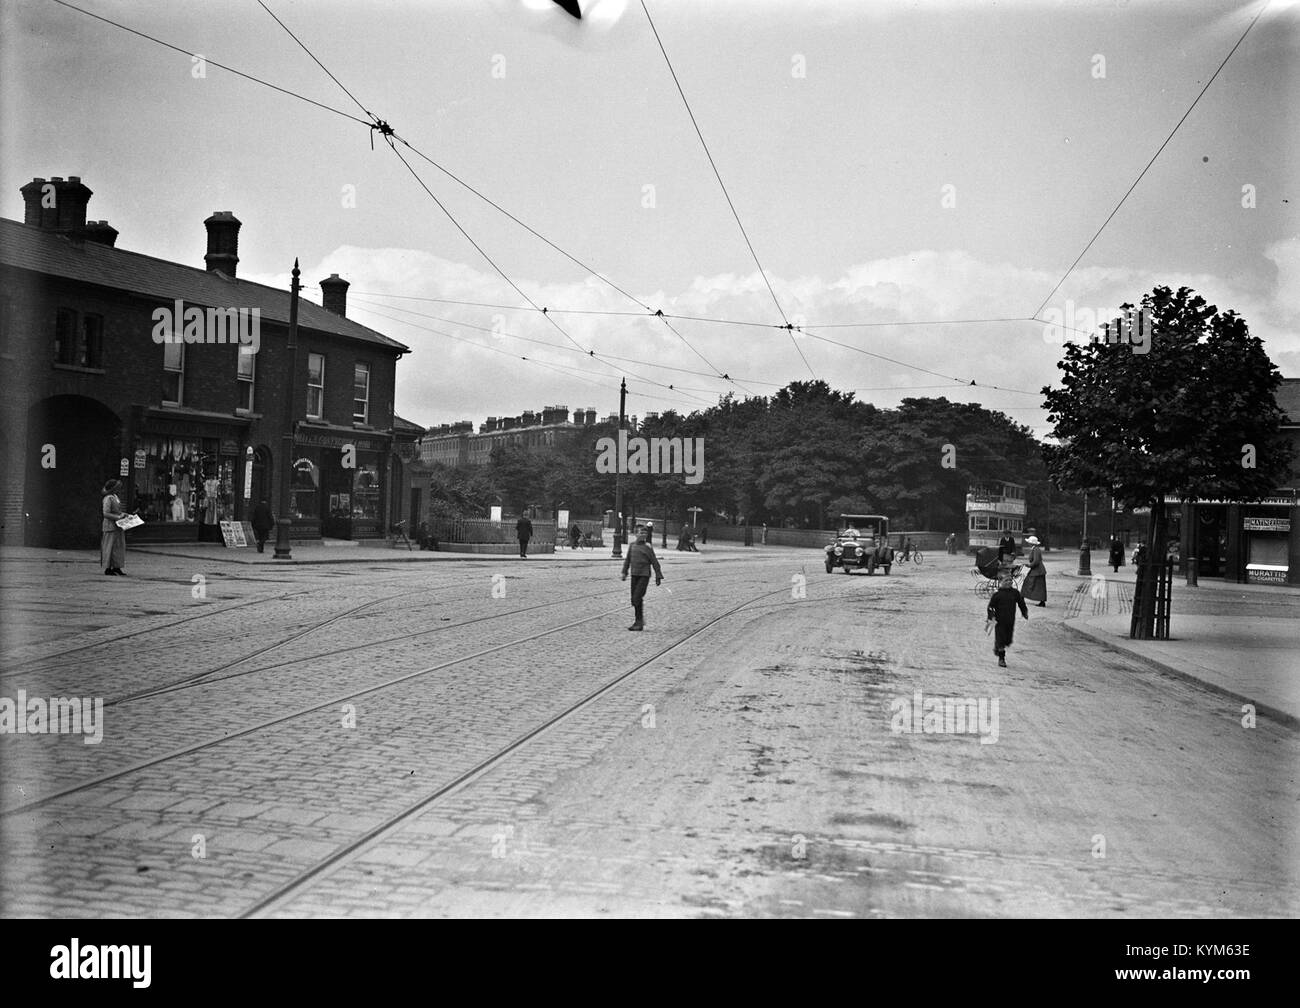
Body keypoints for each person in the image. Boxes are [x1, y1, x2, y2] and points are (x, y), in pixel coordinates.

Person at [621, 525, 664, 631]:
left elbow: (654, 561)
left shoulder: (648, 547)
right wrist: (624, 572)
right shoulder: (632, 546)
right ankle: (638, 621)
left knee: (637, 598)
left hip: (644, 575)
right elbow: (628, 560)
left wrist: (658, 575)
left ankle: (639, 622)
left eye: (645, 533)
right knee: (634, 599)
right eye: (641, 533)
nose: (643, 535)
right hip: (634, 575)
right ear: (636, 534)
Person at [986, 576, 1029, 667]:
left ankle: (998, 646)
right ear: (1001, 582)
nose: (1009, 582)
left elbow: (1021, 603)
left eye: (1010, 580)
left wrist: (1024, 612)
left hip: (1010, 620)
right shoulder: (997, 595)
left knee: (1008, 640)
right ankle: (1001, 659)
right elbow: (990, 607)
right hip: (999, 621)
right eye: (1006, 580)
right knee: (1001, 639)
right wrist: (991, 616)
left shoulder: (1015, 593)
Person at [101, 479, 130, 576]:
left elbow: (117, 511)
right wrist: (118, 517)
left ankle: (117, 566)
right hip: (110, 527)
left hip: (118, 526)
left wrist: (123, 515)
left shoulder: (115, 497)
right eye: (117, 488)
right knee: (109, 547)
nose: (119, 489)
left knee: (118, 547)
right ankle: (108, 568)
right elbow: (105, 513)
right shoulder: (108, 498)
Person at [1021, 534, 1047, 606]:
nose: (1028, 543)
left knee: (1030, 583)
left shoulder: (1036, 549)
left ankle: (1022, 596)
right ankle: (1041, 601)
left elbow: (1036, 561)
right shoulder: (1034, 549)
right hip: (1037, 570)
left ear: (1031, 543)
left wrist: (1029, 565)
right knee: (1038, 585)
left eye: (1029, 542)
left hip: (1037, 570)